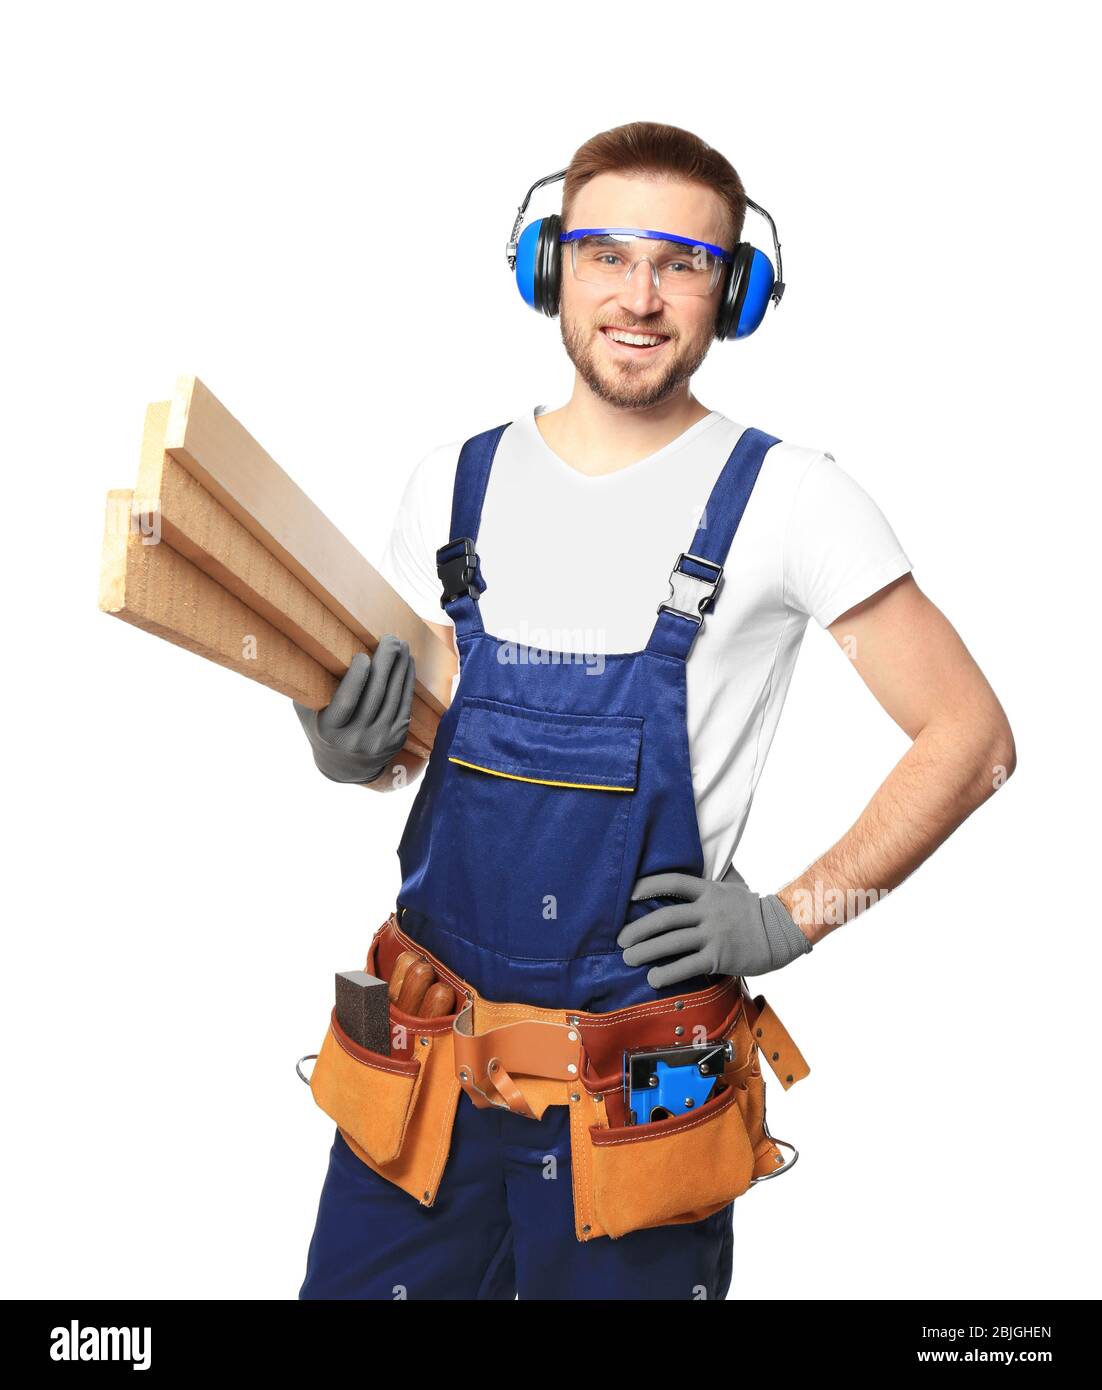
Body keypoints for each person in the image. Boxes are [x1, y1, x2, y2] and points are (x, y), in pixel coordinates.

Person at [294, 121, 1016, 1300]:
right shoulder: (451, 482)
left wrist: (792, 917)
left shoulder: (792, 498)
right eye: (605, 255)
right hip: (423, 1080)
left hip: (634, 1101)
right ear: (549, 269)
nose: (639, 295)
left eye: (680, 262)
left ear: (732, 291)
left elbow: (972, 742)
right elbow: (408, 750)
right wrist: (343, 751)